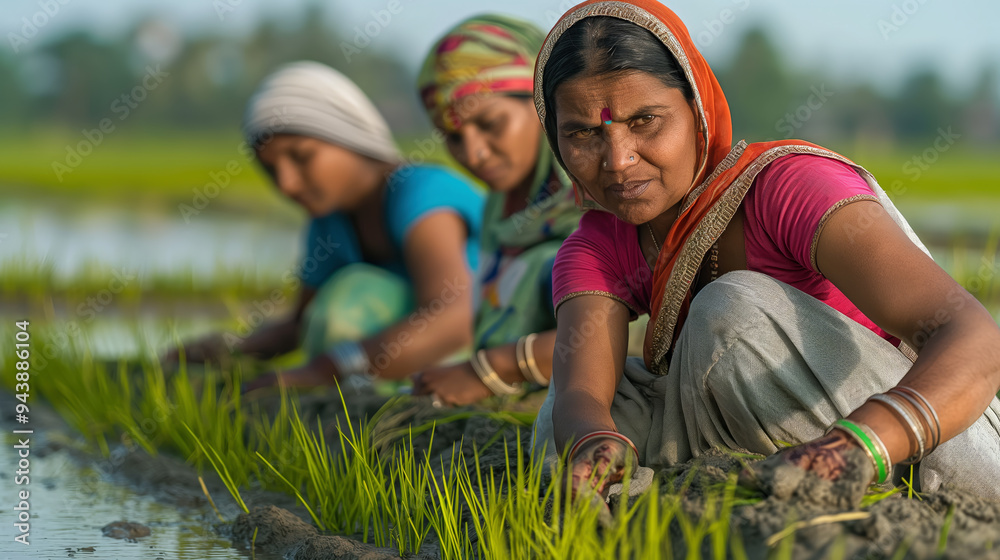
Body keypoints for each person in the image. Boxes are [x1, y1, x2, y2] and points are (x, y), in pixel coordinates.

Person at [530, 0, 1000, 502]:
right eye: (582, 133)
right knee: (564, 411)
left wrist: (860, 444)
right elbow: (582, 391)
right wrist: (594, 441)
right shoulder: (598, 244)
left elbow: (972, 336)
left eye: (645, 121)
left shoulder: (789, 187)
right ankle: (655, 513)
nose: (618, 160)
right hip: (746, 429)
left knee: (730, 313)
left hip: (912, 445)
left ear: (697, 109)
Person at [164, 61, 485, 393]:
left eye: (302, 157)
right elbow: (301, 325)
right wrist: (232, 350)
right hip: (404, 371)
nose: (287, 184)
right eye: (272, 171)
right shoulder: (330, 223)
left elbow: (455, 316)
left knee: (353, 296)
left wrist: (323, 371)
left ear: (349, 138)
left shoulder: (420, 193)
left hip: (481, 349)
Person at [410, 15, 582, 407]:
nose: (473, 153)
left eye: (490, 124)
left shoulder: (605, 201)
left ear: (545, 103)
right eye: (454, 137)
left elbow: (629, 339)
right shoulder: (497, 209)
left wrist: (485, 371)